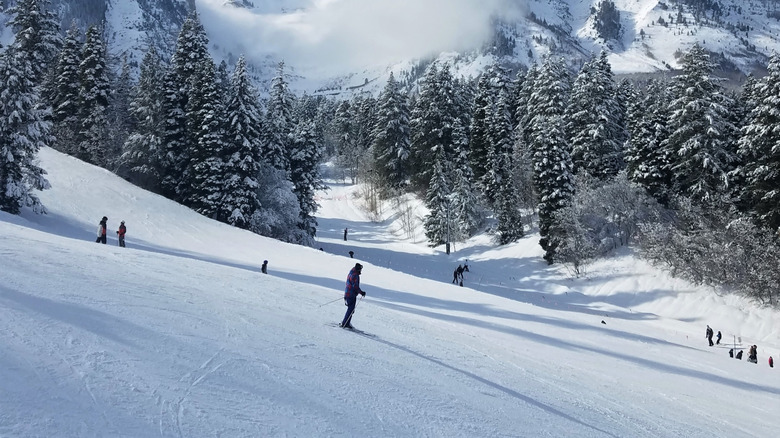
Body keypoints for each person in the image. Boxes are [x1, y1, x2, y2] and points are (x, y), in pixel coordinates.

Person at [340, 263, 366, 329]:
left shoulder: (352, 272)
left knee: (351, 309)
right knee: (350, 309)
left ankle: (347, 322)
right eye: (360, 269)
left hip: (349, 293)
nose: (361, 271)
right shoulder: (354, 275)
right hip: (350, 294)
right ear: (358, 269)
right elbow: (355, 287)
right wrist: (361, 292)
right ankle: (345, 323)